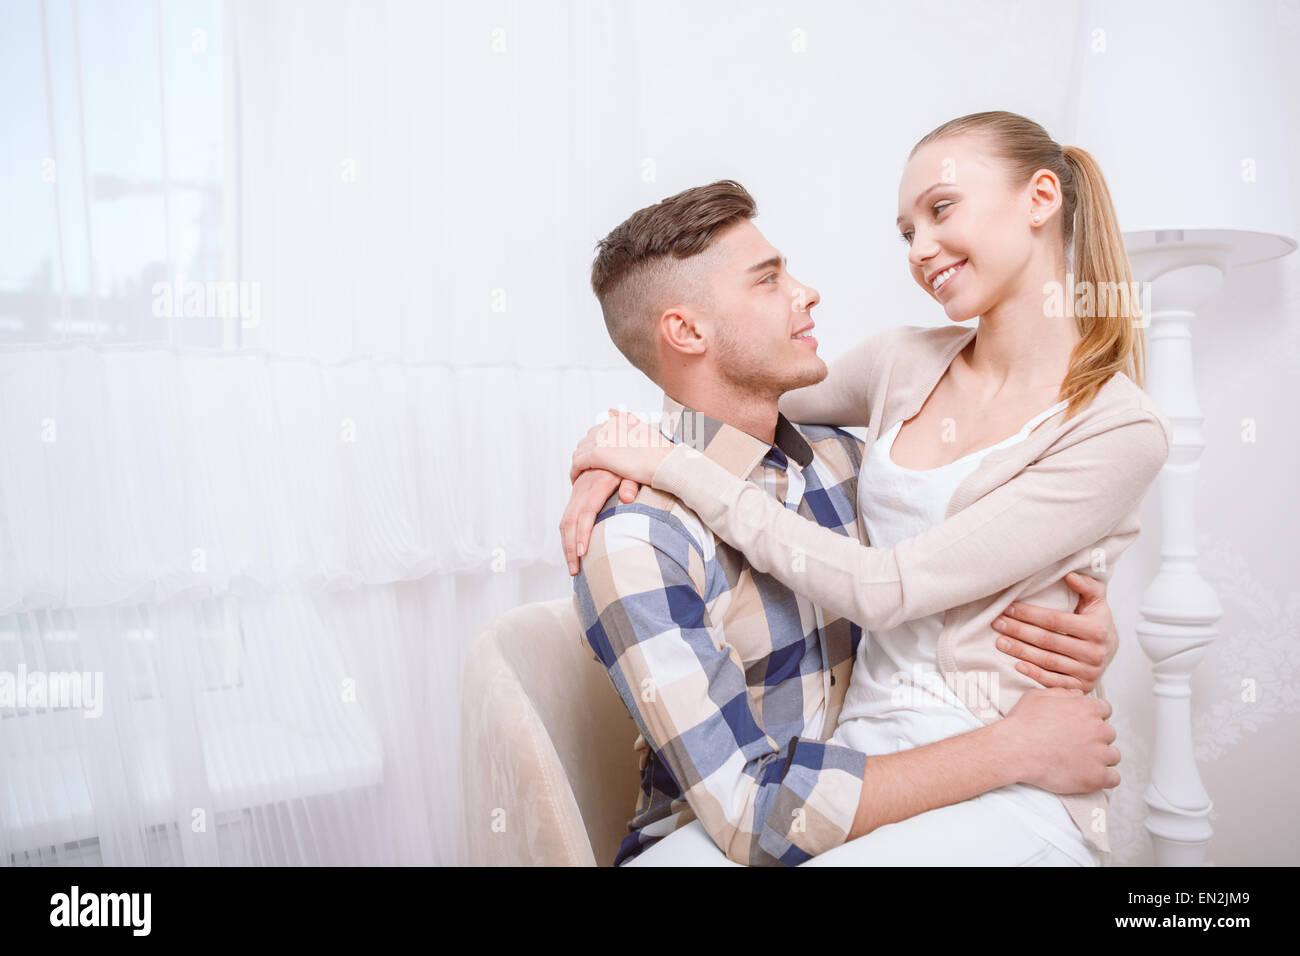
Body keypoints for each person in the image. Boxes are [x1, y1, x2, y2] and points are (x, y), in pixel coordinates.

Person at [568, 112, 1161, 864]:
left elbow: (890, 583)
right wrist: (610, 452)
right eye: (906, 231)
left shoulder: (1118, 427)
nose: (919, 251)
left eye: (941, 210)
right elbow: (730, 414)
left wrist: (1089, 633)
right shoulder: (897, 367)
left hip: (1007, 755)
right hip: (869, 744)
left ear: (1041, 198)